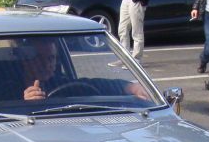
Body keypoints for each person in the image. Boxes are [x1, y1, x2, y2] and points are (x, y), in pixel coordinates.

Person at [19, 37, 150, 102]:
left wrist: (131, 87)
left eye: (51, 58)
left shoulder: (61, 83)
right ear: (26, 60)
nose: (47, 64)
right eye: (40, 58)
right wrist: (25, 104)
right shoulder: (6, 87)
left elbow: (97, 84)